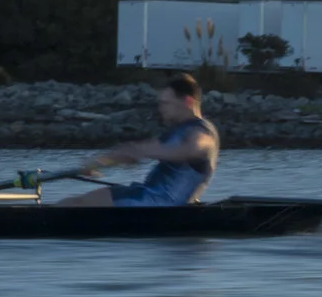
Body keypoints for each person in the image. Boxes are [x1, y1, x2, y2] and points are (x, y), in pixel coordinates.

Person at [63, 74, 220, 206]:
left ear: (187, 102)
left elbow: (194, 149)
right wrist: (97, 162)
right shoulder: (177, 131)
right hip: (146, 194)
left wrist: (144, 151)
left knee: (78, 204)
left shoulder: (201, 131)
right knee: (74, 202)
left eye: (166, 103)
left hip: (158, 203)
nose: (161, 108)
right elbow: (132, 151)